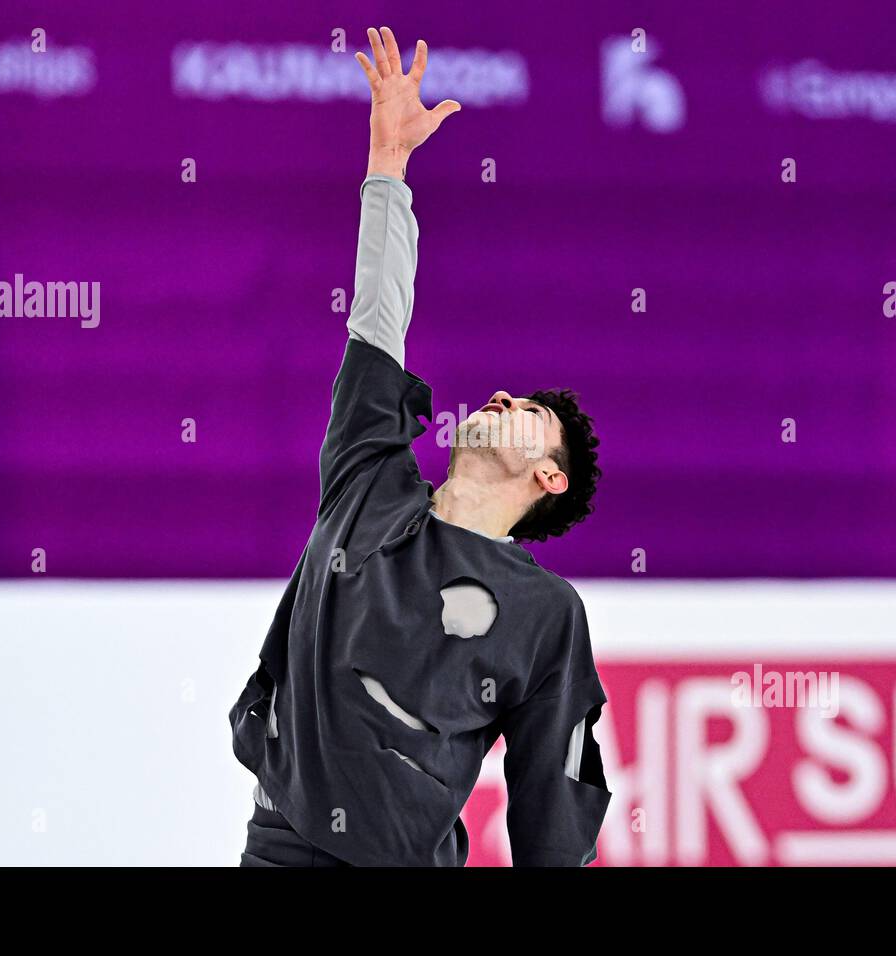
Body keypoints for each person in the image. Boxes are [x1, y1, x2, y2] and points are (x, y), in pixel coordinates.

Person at [230, 27, 610, 867]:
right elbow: (378, 320)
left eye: (532, 413)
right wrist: (387, 170)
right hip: (281, 849)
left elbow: (554, 800)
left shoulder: (547, 614)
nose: (508, 398)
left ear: (550, 475)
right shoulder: (369, 477)